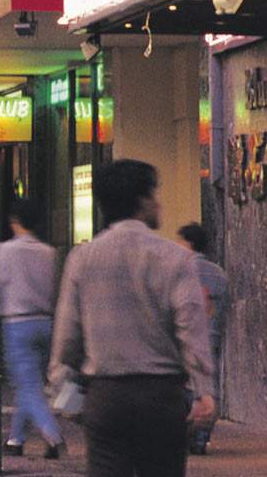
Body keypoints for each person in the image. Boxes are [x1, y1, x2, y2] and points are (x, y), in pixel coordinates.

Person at [51, 159, 214, 477]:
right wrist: (205, 390)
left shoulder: (81, 259)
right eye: (154, 194)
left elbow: (67, 337)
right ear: (141, 201)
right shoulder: (176, 259)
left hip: (106, 397)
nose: (158, 203)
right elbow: (191, 331)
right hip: (162, 398)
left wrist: (63, 388)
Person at [0, 197, 64, 460]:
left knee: (27, 384)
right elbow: (54, 288)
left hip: (17, 323)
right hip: (45, 322)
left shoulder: (5, 250)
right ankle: (16, 439)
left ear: (14, 221)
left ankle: (52, 434)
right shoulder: (49, 252)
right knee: (29, 383)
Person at [175, 223, 228, 456]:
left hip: (185, 338)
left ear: (188, 242)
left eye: (179, 241)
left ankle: (185, 432)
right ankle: (201, 437)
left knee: (184, 387)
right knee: (208, 386)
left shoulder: (178, 270)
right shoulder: (219, 273)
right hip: (212, 336)